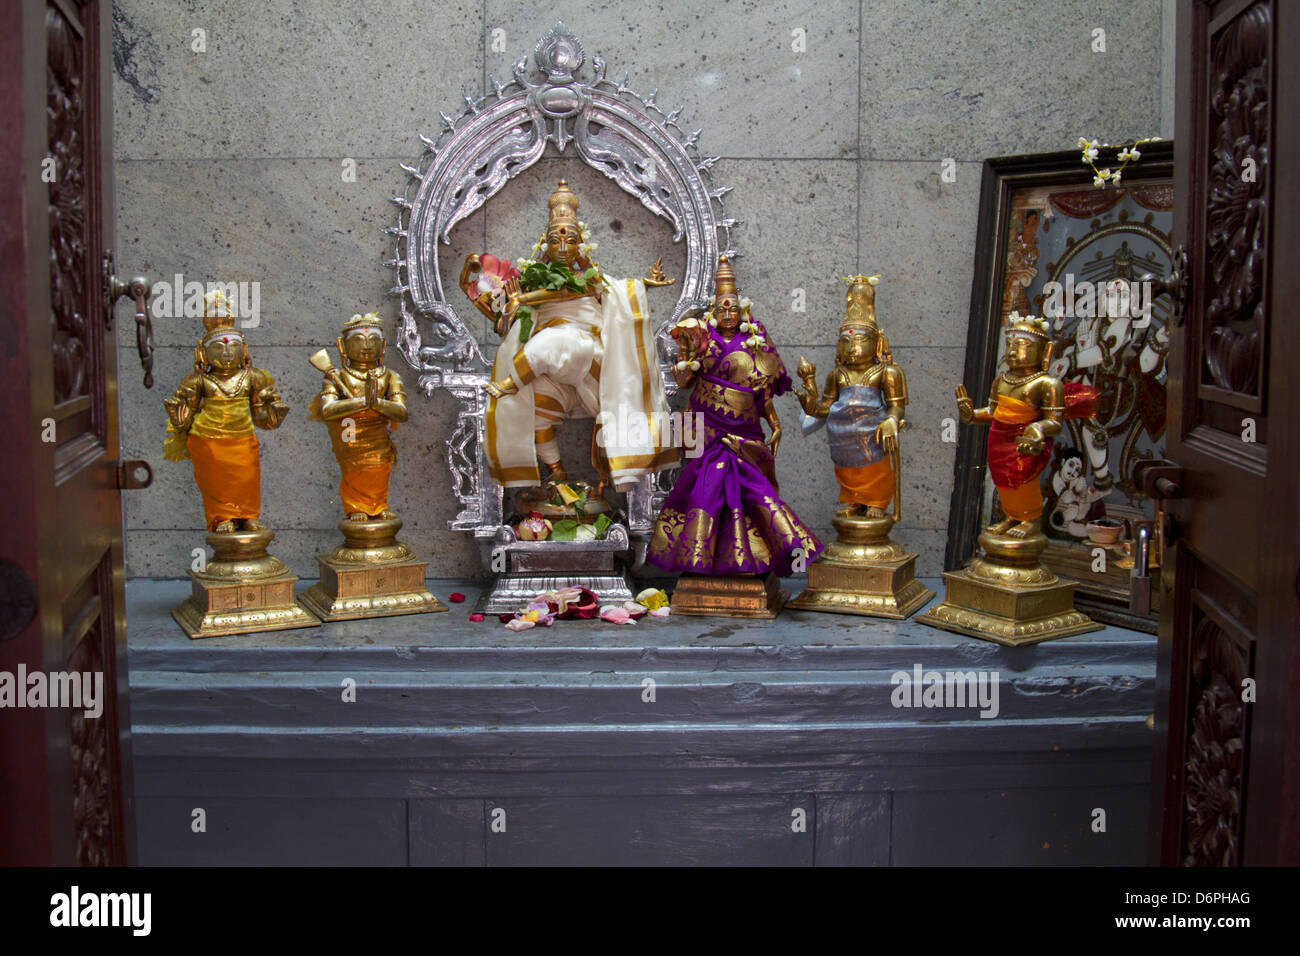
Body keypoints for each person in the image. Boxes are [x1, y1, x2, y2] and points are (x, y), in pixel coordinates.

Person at [648, 257, 822, 576]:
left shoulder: (755, 339)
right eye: (722, 309)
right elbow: (684, 381)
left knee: (751, 492)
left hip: (745, 431)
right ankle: (700, 561)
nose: (728, 315)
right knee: (706, 489)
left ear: (741, 309)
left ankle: (755, 560)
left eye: (733, 309)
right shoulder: (701, 337)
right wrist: (685, 359)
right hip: (708, 428)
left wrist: (777, 423)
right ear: (715, 309)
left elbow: (763, 392)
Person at [163, 290, 289, 532]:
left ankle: (247, 515)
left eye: (233, 347)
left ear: (244, 350)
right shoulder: (198, 381)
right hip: (208, 438)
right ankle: (223, 517)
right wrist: (179, 417)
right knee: (216, 482)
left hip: (242, 437)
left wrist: (272, 415)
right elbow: (185, 416)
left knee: (246, 477)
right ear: (203, 353)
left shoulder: (253, 377)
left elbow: (261, 417)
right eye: (219, 348)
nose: (227, 353)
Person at [308, 312, 408, 521]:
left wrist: (378, 403)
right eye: (358, 341)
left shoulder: (390, 376)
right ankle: (356, 507)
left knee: (378, 466)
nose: (367, 346)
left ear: (382, 346)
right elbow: (327, 410)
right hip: (349, 432)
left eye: (373, 341)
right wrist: (363, 401)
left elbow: (402, 412)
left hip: (377, 435)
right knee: (354, 468)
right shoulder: (337, 376)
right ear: (343, 346)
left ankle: (378, 505)